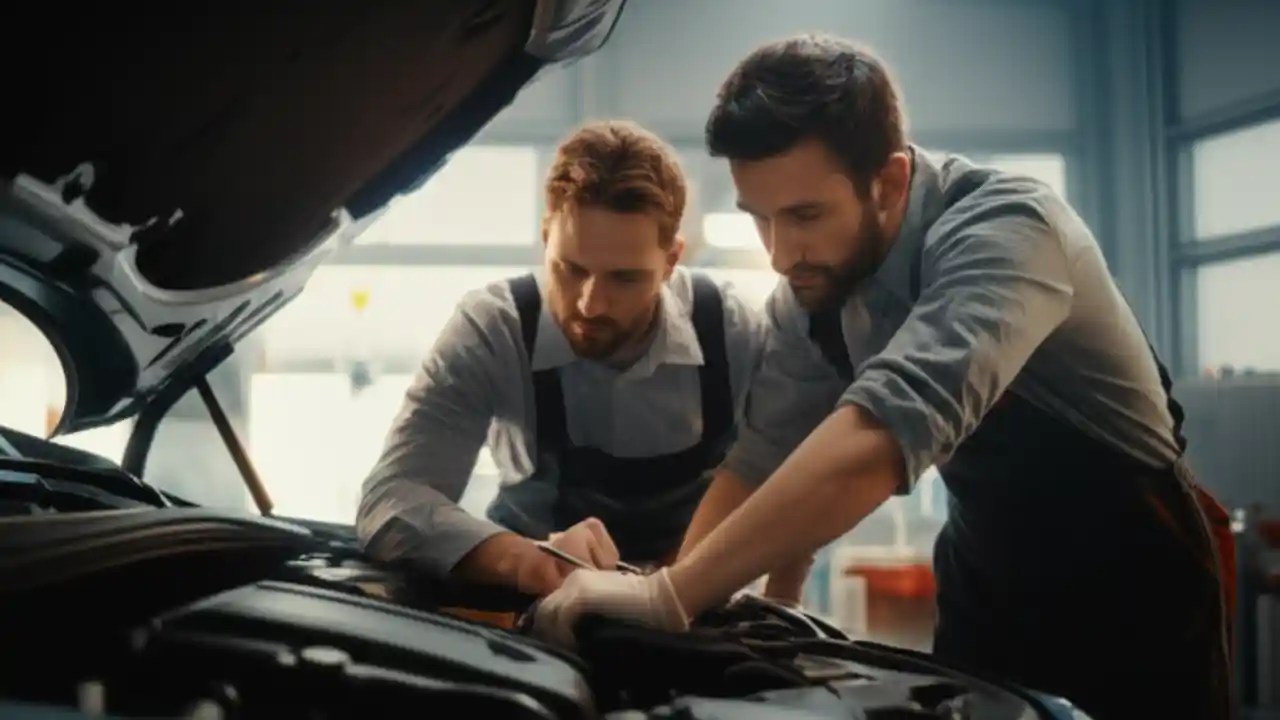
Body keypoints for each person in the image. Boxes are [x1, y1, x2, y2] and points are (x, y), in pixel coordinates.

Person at [529, 36, 1234, 720]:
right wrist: (677, 601)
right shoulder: (812, 294)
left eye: (805, 215)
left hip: (1133, 577)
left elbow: (885, 430)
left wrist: (672, 596)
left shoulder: (1010, 231)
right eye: (761, 220)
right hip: (986, 573)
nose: (780, 255)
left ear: (890, 181)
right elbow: (762, 460)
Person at [356, 120, 787, 599]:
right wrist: (526, 561)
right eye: (571, 269)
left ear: (671, 261)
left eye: (624, 279)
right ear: (546, 237)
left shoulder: (734, 333)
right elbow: (391, 498)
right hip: (530, 607)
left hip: (694, 608)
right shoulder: (494, 331)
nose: (590, 305)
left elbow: (791, 490)